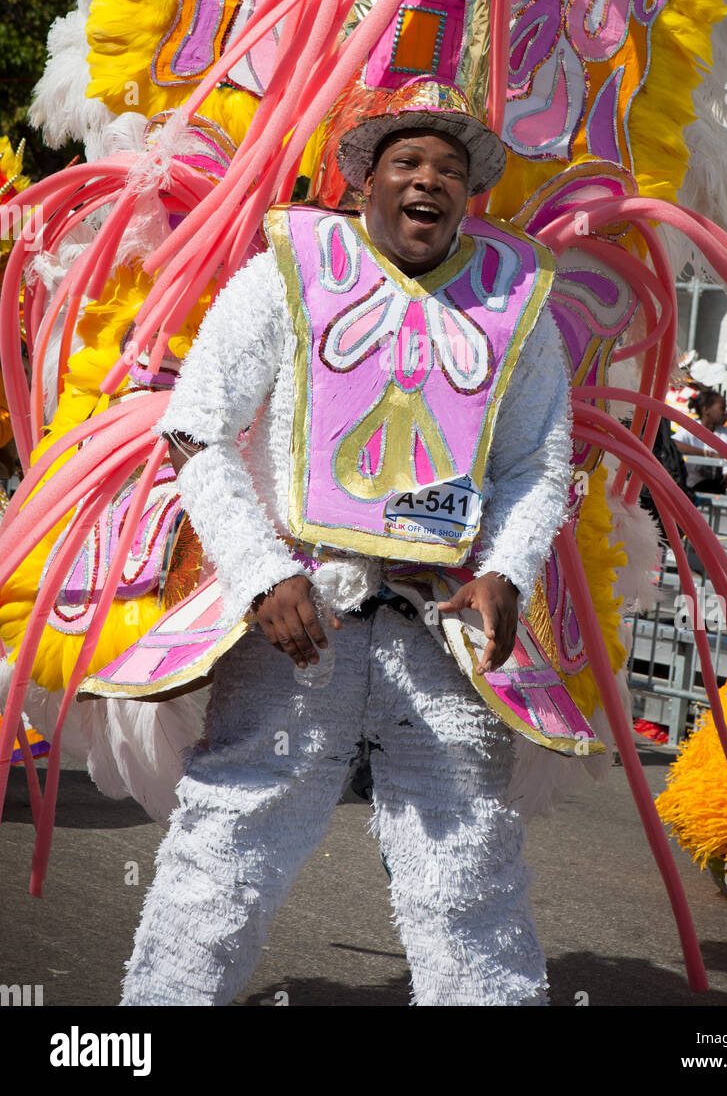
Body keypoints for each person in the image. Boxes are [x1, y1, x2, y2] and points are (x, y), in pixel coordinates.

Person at [120, 85, 573, 1007]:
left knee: (469, 866)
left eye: (451, 170)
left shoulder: (514, 301)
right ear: (364, 177)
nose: (429, 182)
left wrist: (506, 571)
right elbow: (196, 429)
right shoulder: (283, 274)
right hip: (300, 619)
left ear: (470, 195)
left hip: (440, 630)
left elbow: (539, 462)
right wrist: (259, 575)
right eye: (408, 162)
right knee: (226, 848)